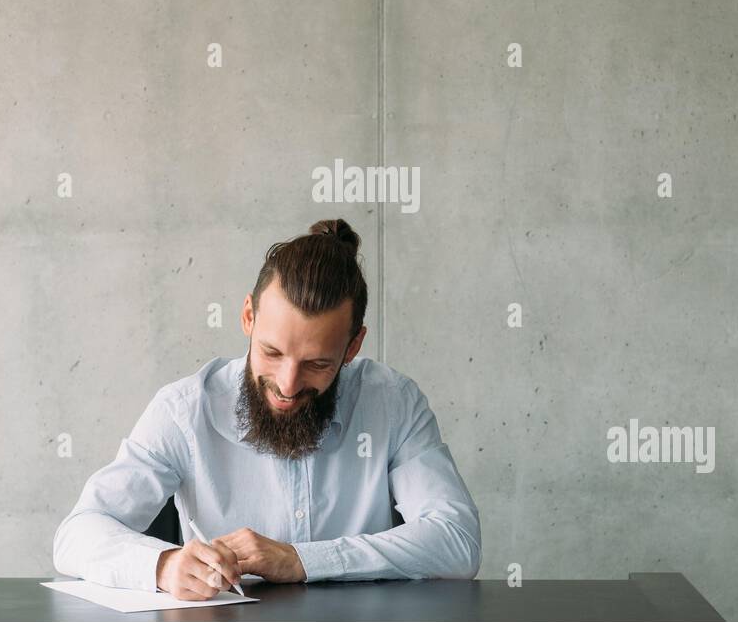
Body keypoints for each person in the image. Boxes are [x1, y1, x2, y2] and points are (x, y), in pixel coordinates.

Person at [52, 218, 481, 600]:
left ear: (353, 346)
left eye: (317, 363)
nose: (288, 385)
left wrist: (303, 560)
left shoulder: (393, 402)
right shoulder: (184, 410)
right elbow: (77, 534)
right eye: (271, 352)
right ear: (247, 317)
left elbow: (457, 540)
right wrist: (163, 565)